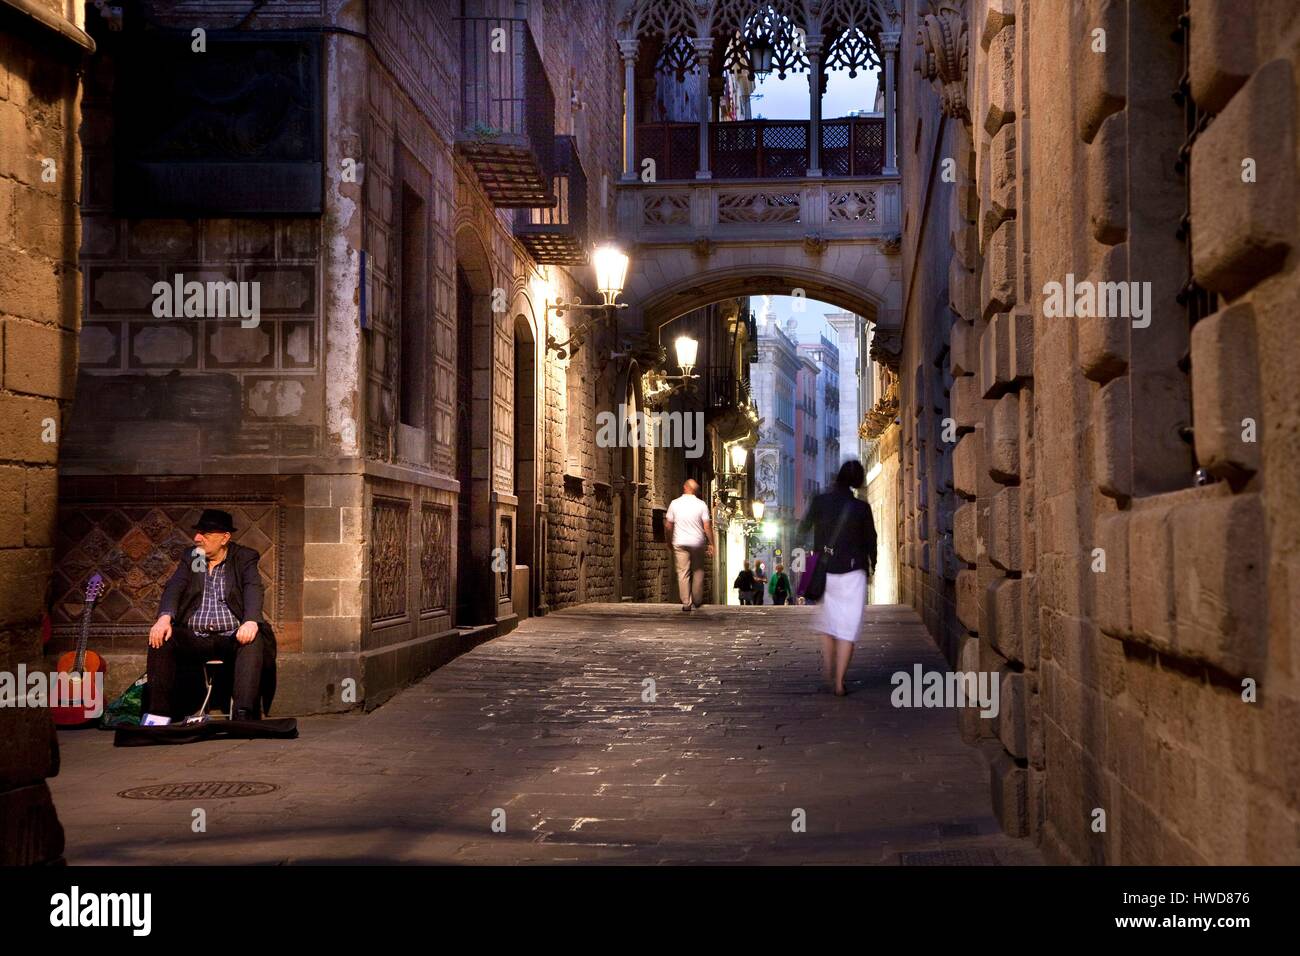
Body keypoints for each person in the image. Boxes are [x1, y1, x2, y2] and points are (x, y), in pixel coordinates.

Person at [143, 509, 277, 723]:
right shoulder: (195, 557)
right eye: (198, 533)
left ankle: (244, 715)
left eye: (205, 534)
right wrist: (164, 617)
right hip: (196, 637)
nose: (197, 538)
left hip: (232, 637)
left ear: (225, 538)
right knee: (162, 638)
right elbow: (176, 586)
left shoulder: (242, 557)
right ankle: (158, 715)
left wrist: (251, 620)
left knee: (255, 638)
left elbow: (253, 587)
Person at [798, 460, 877, 696]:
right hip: (854, 572)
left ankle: (829, 668)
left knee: (829, 622)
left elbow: (803, 528)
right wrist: (872, 566)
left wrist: (817, 544)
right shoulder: (861, 508)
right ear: (858, 480)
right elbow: (871, 541)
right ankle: (840, 681)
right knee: (847, 628)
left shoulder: (820, 501)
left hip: (827, 569)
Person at [664, 479, 715, 612]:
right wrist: (711, 543)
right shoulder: (701, 505)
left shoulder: (675, 504)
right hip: (697, 542)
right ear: (696, 491)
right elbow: (707, 526)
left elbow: (668, 526)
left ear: (685, 488)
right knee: (698, 570)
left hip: (679, 542)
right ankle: (697, 599)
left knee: (683, 572)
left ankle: (686, 602)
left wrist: (668, 541)